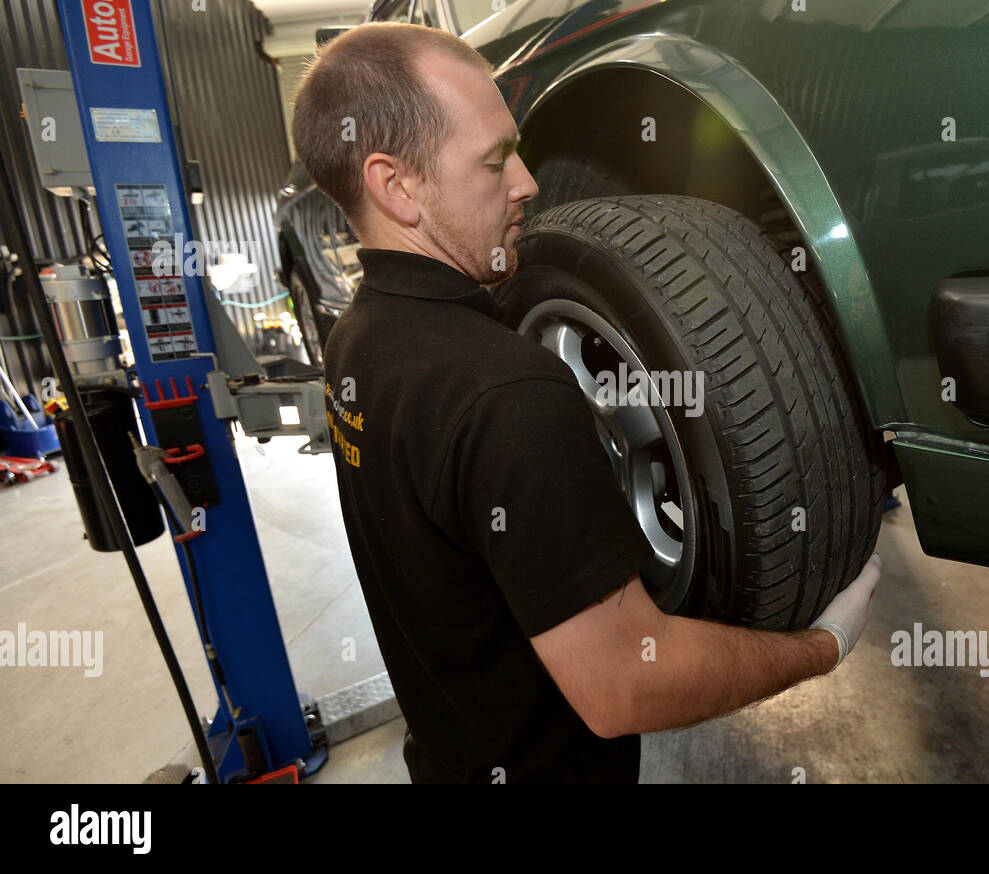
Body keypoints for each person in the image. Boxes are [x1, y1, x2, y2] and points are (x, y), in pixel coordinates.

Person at [291, 22, 883, 784]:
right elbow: (624, 686)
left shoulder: (357, 338)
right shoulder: (511, 395)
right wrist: (822, 646)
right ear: (395, 185)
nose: (528, 182)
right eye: (495, 160)